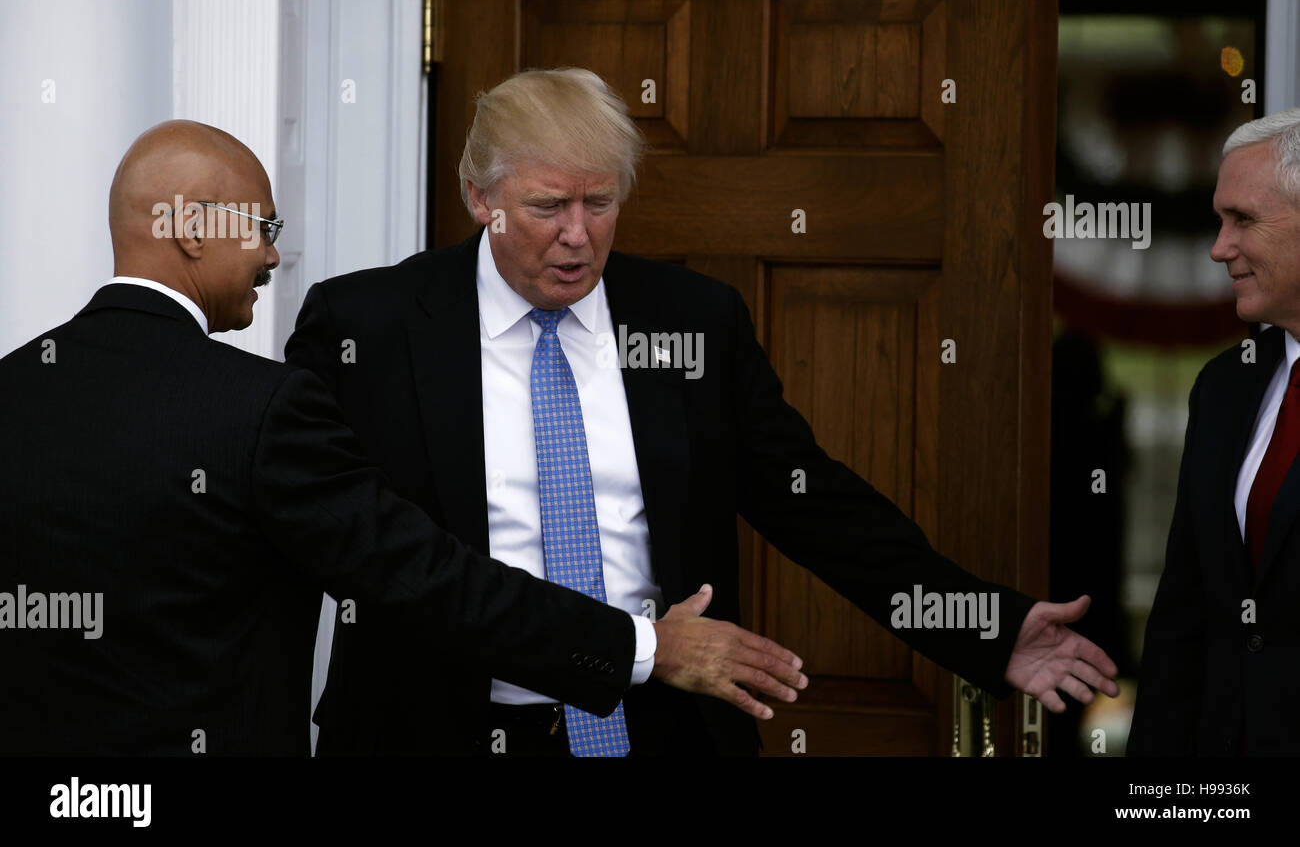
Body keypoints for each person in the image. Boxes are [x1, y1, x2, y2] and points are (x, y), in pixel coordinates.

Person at [288, 68, 1119, 756]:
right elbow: (343, 549)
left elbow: (810, 499)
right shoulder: (367, 328)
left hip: (657, 730)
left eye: (601, 203)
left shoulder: (689, 321)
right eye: (547, 207)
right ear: (480, 197)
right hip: (432, 734)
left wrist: (984, 626)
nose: (579, 236)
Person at [0, 120, 806, 756]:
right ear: (189, 231)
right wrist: (641, 646)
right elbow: (422, 576)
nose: (275, 254)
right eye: (262, 225)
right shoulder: (263, 407)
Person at [1129, 108, 1300, 756]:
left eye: (1244, 220)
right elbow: (1184, 615)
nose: (1218, 246)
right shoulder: (1227, 385)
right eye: (1219, 219)